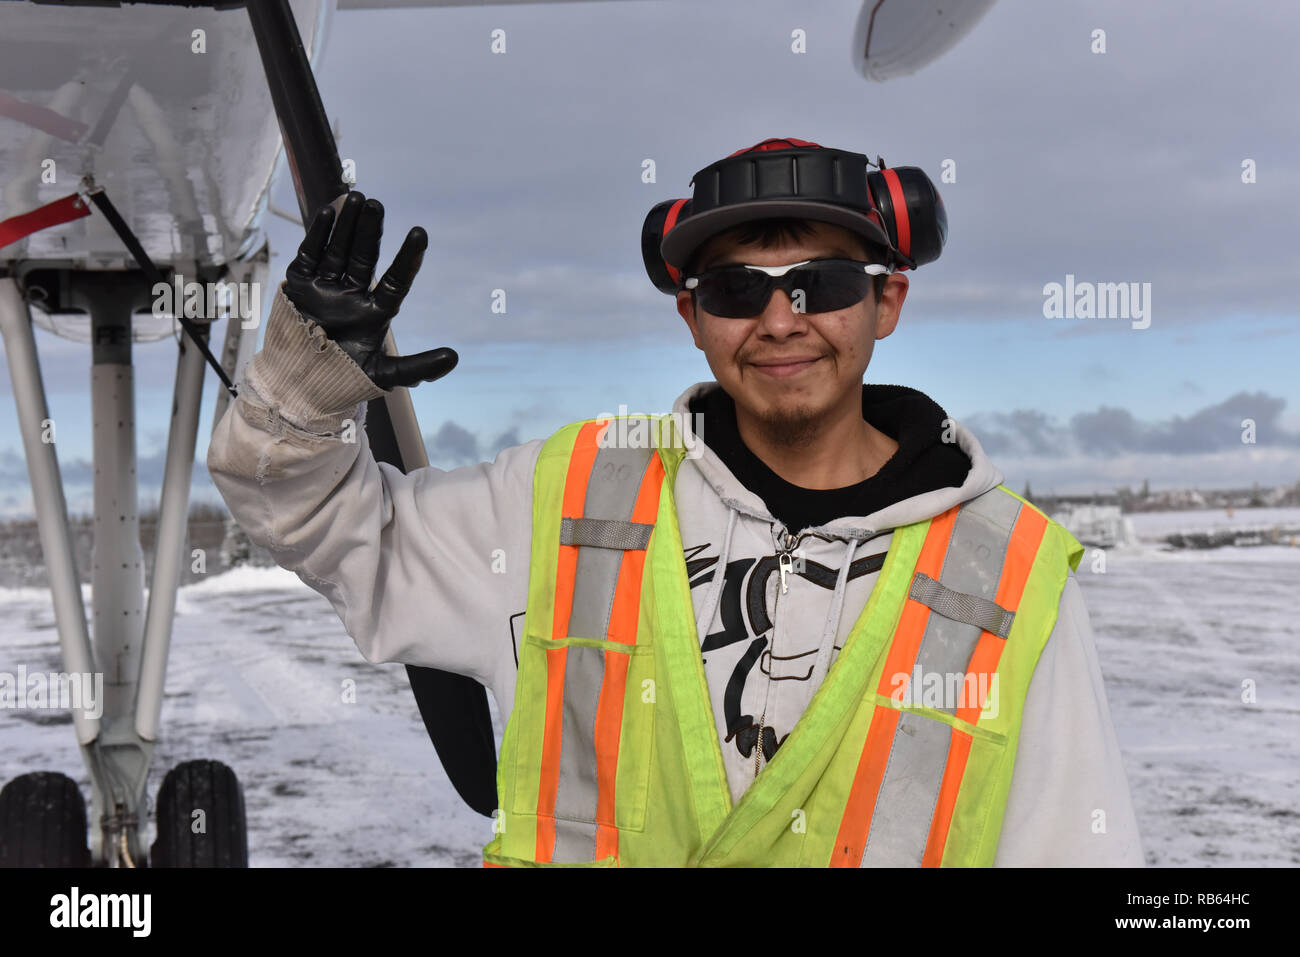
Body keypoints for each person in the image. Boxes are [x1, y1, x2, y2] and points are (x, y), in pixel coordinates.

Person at [206, 137, 1144, 867]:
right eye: (737, 288)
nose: (781, 319)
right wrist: (304, 389)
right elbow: (338, 532)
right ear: (692, 318)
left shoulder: (1007, 576)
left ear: (886, 300)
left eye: (819, 282)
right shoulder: (571, 497)